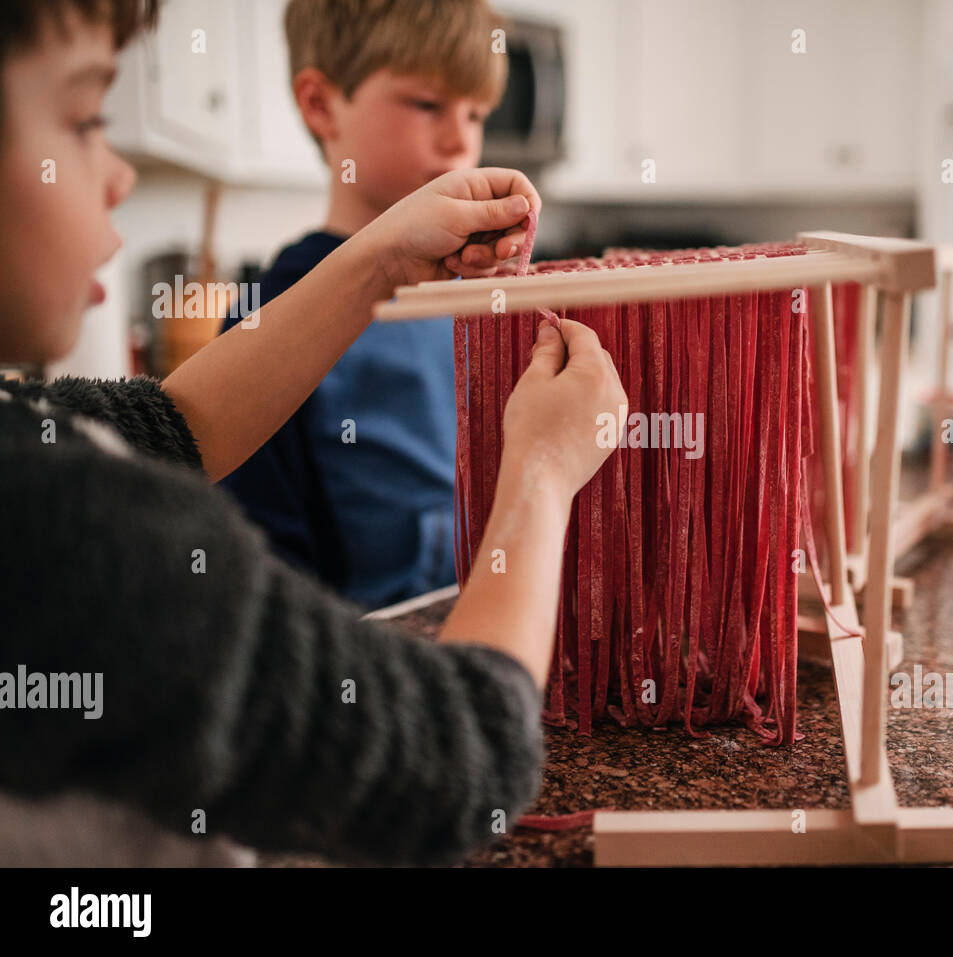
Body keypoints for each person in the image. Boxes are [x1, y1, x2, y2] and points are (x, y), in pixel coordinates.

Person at [0, 0, 626, 866]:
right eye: (84, 121)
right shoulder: (58, 525)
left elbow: (166, 427)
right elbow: (461, 756)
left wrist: (381, 257)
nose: (120, 177)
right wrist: (546, 472)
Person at [219, 0, 512, 610]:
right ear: (322, 104)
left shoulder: (486, 293)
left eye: (477, 112)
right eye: (427, 104)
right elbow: (266, 574)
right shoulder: (270, 314)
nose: (461, 140)